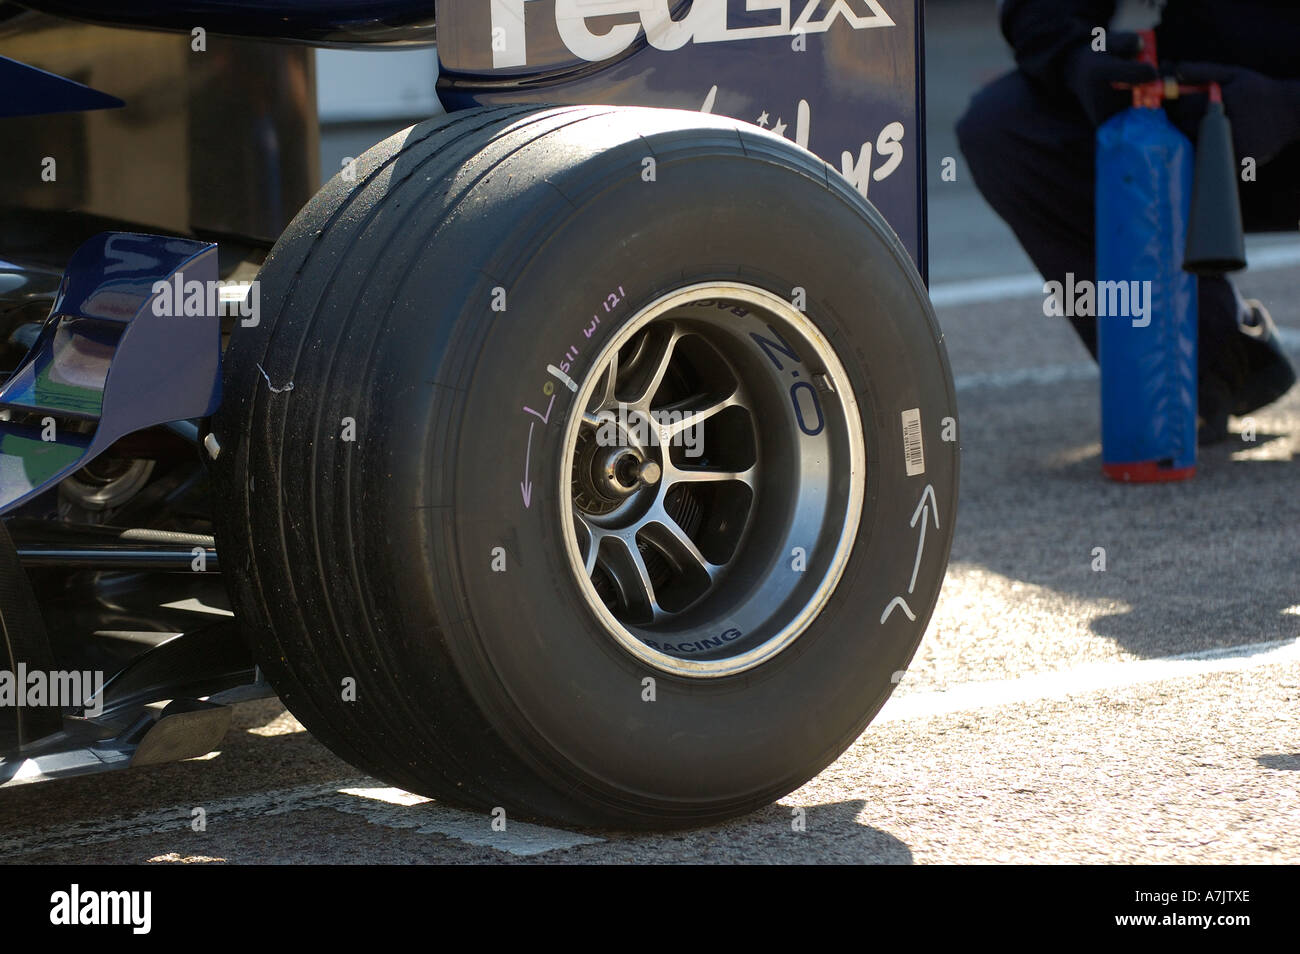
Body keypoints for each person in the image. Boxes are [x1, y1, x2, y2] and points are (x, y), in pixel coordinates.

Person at [957, 0, 1300, 442]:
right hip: (1205, 117)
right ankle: (1206, 363)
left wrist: (1289, 108)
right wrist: (1074, 59)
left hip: (1281, 127)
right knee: (1005, 127)